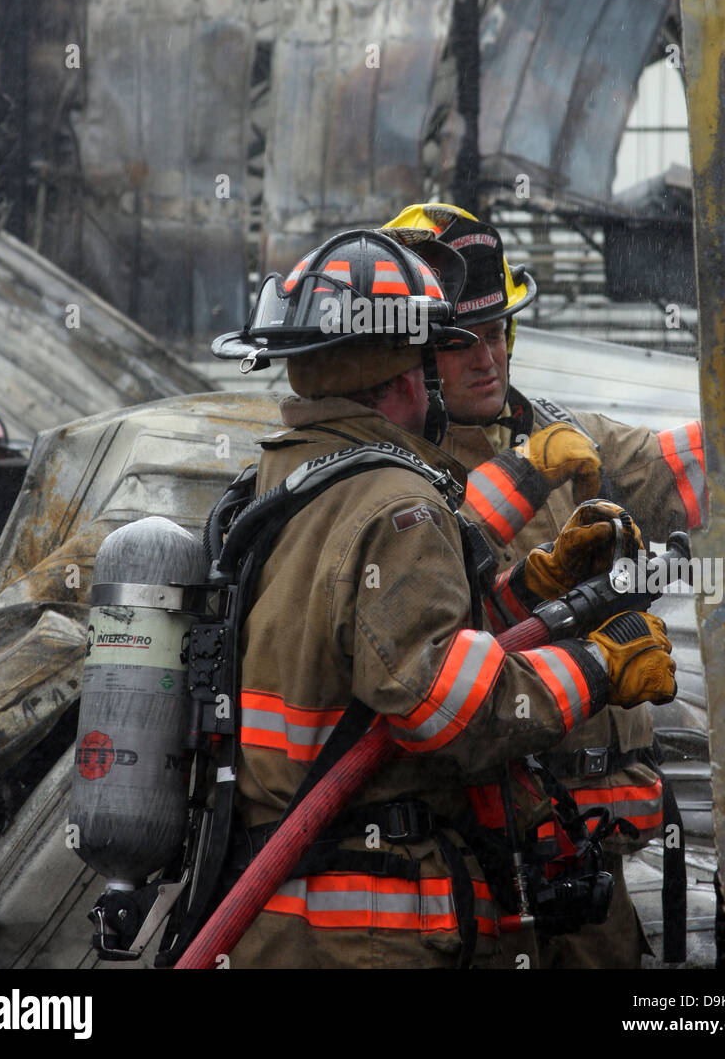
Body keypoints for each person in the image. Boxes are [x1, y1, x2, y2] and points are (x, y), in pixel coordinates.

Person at [209, 227, 676, 969]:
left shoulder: (278, 484)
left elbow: (374, 658)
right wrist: (597, 666)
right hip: (370, 934)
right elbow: (444, 709)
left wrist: (533, 588)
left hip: (283, 922)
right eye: (438, 361)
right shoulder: (397, 504)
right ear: (403, 381)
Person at [382, 202, 707, 968]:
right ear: (408, 356)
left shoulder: (561, 436)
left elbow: (686, 464)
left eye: (498, 333)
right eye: (460, 343)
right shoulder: (388, 484)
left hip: (585, 871)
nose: (487, 358)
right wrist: (521, 479)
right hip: (474, 868)